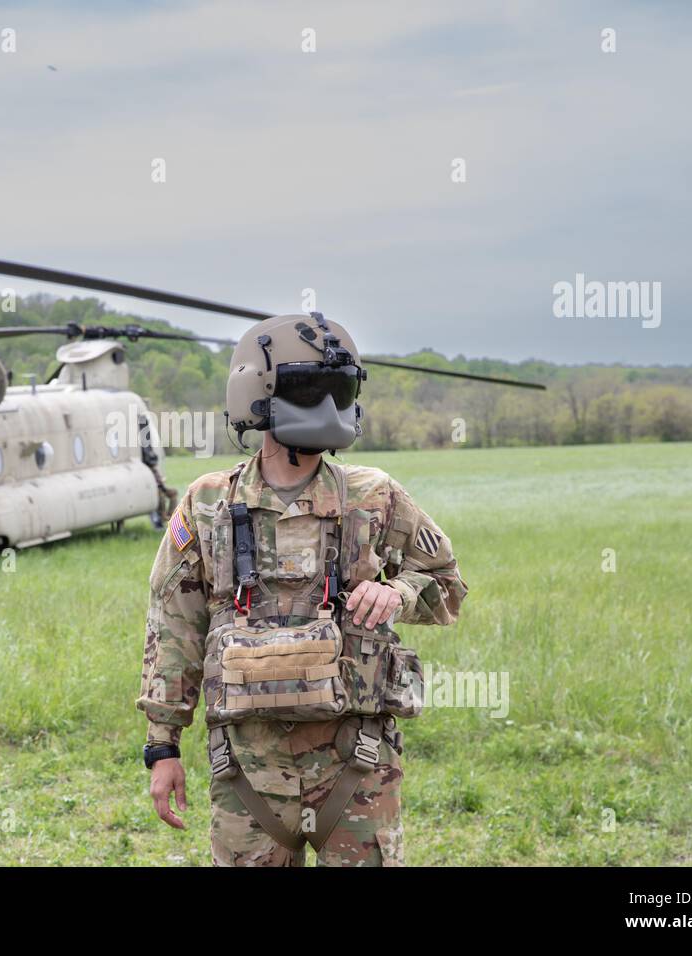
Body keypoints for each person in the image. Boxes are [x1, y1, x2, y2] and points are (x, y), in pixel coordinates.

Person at [136, 312, 467, 866]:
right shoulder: (207, 502)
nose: (326, 407)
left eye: (337, 392)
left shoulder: (375, 495)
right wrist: (162, 746)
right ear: (257, 396)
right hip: (246, 768)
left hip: (356, 764)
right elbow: (174, 625)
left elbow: (448, 585)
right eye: (310, 391)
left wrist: (399, 594)